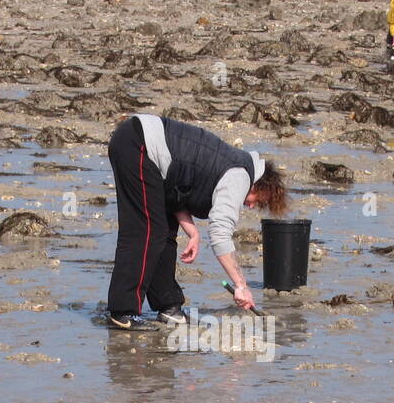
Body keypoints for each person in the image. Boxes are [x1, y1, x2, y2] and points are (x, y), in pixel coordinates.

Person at [104, 115, 287, 330]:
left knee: (162, 231)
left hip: (144, 149)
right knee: (146, 230)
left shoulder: (234, 167)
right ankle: (122, 311)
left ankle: (169, 308)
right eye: (258, 201)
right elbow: (220, 234)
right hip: (138, 143)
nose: (251, 206)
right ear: (259, 186)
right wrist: (240, 285)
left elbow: (175, 190)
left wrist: (193, 232)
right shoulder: (239, 176)